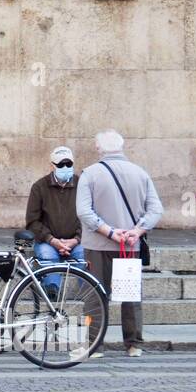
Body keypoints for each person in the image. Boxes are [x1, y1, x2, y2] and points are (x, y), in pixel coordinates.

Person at [77, 129, 163, 357]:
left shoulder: (90, 174)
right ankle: (134, 344)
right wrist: (137, 230)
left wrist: (110, 232)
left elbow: (84, 212)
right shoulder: (140, 173)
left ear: (98, 148)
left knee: (95, 295)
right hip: (129, 246)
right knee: (130, 295)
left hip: (97, 245)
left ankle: (95, 344)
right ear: (122, 147)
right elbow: (156, 209)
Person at [26, 145, 84, 293]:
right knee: (47, 255)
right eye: (61, 164)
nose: (65, 167)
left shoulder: (82, 184)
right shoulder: (39, 187)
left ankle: (90, 296)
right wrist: (52, 240)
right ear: (52, 166)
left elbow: (89, 216)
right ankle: (52, 295)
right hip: (48, 241)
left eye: (68, 164)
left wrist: (76, 239)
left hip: (76, 241)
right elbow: (32, 221)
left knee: (85, 255)